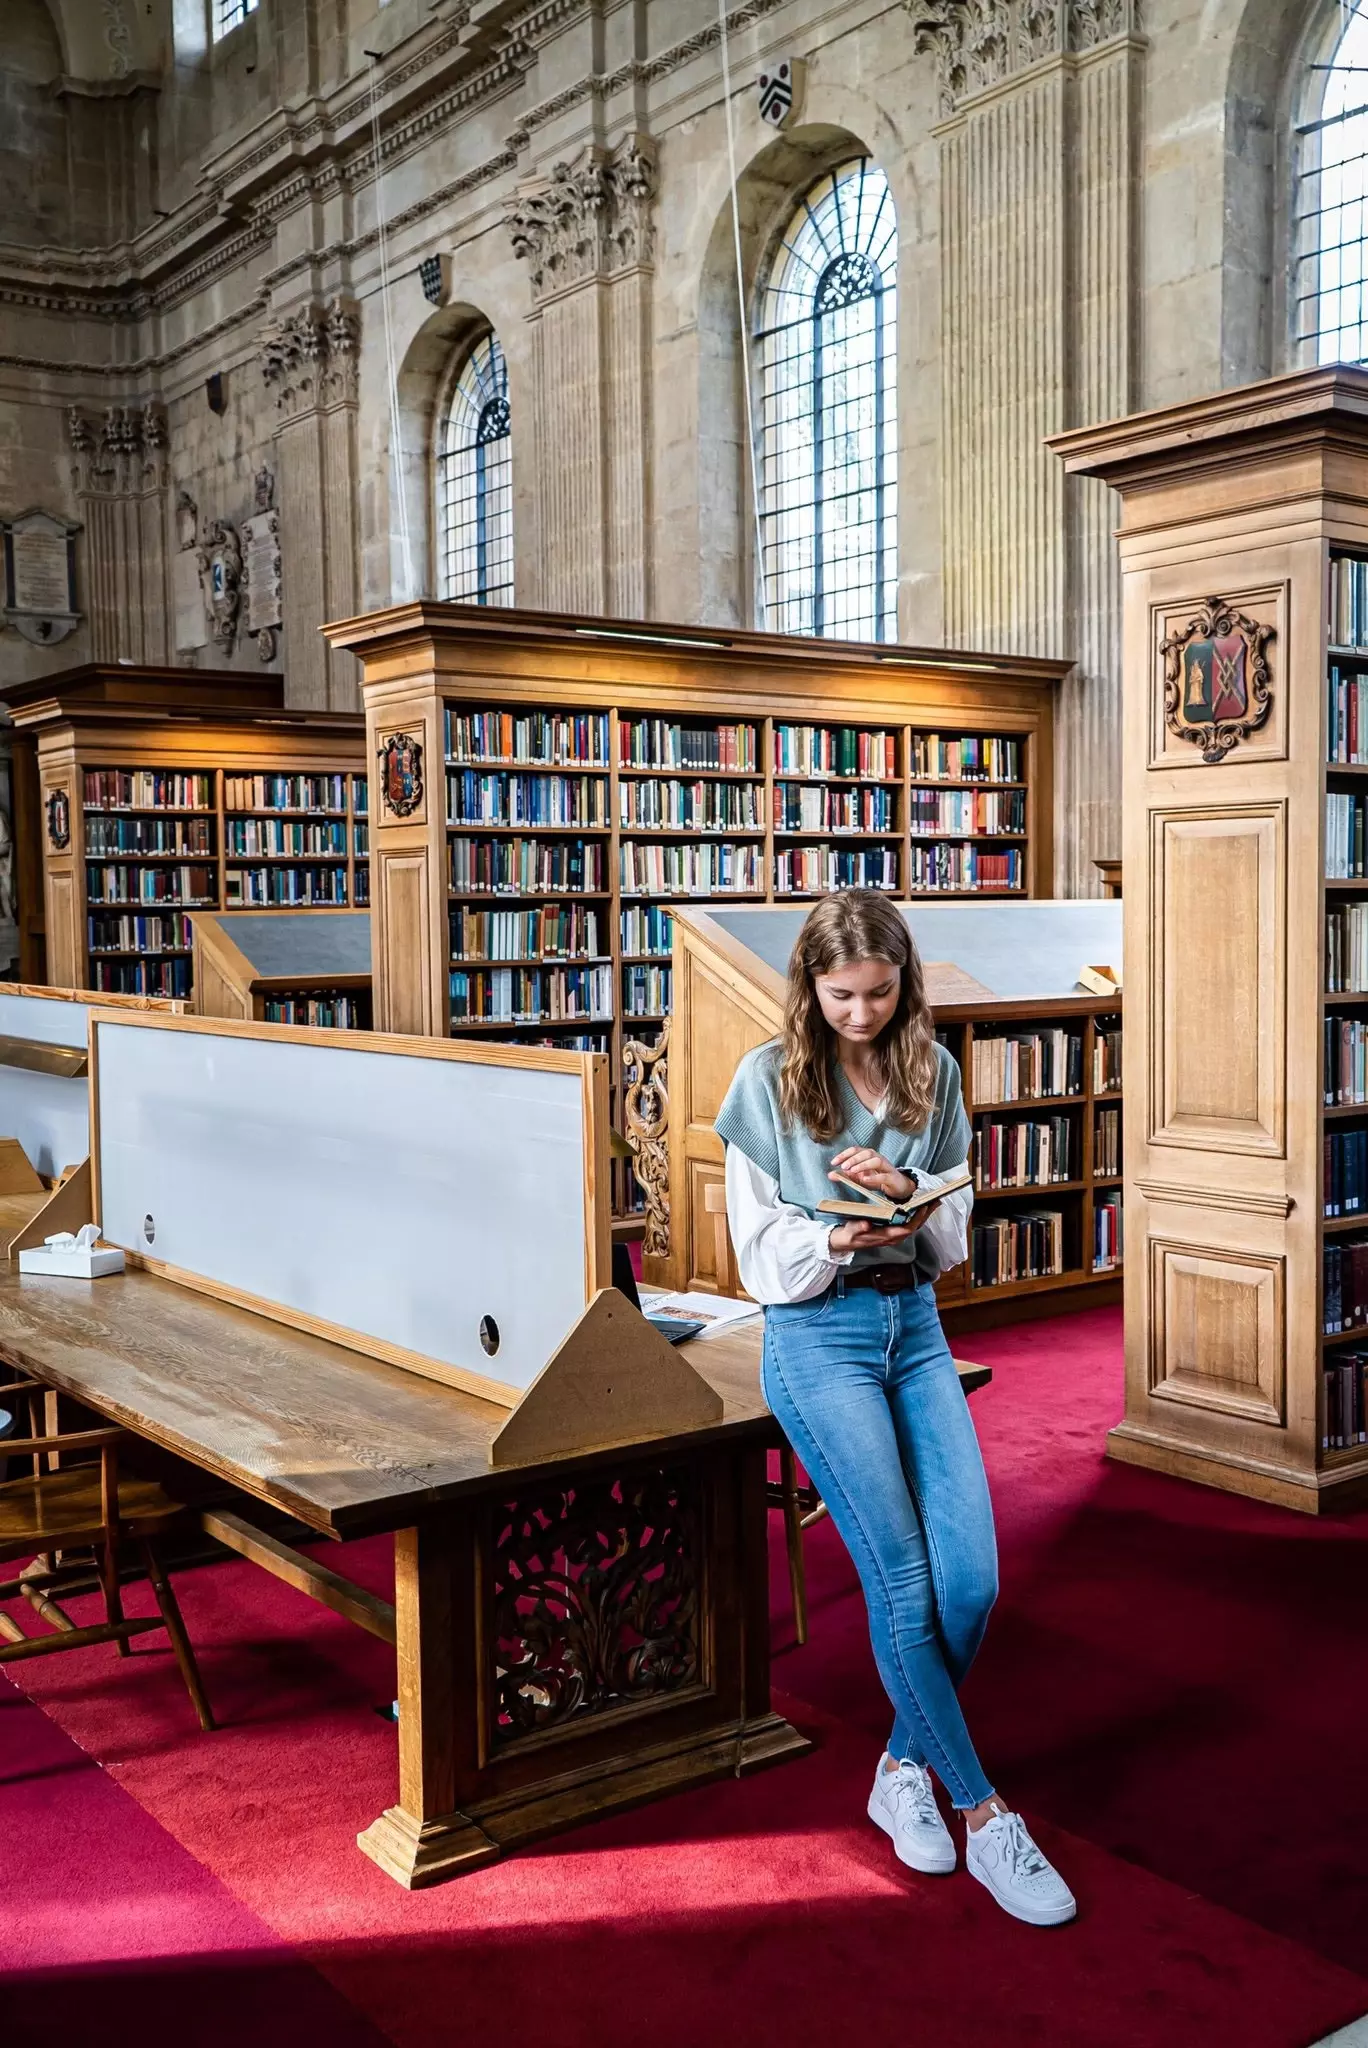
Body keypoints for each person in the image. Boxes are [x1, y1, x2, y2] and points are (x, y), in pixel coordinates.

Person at [714, 889, 1075, 1928]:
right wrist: (838, 1234)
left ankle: (899, 1763)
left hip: (914, 1329)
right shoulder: (767, 1079)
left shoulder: (934, 1071)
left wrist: (907, 1186)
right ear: (809, 986)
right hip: (818, 1341)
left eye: (879, 993)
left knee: (974, 1583)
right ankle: (983, 1806)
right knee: (904, 1581)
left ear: (902, 984)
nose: (861, 1014)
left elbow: (952, 1236)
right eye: (841, 995)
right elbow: (756, 1255)